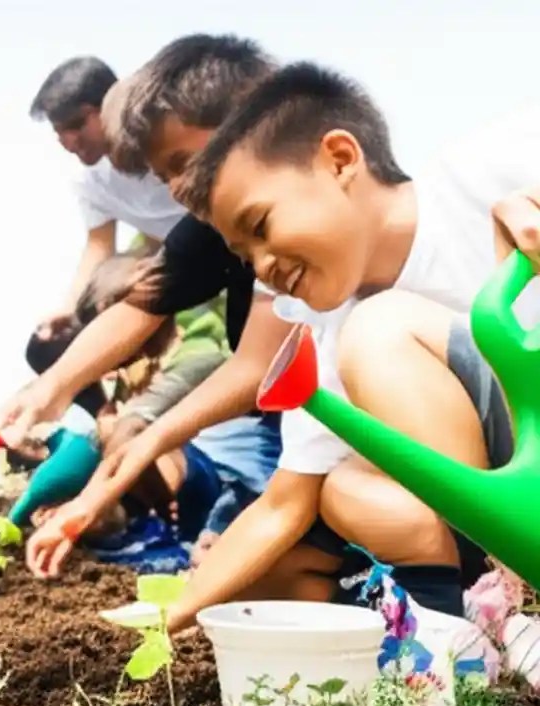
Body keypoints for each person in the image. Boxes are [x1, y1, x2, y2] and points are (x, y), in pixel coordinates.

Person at [159, 63, 540, 631]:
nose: (262, 266)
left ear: (340, 159)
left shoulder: (500, 163)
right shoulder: (329, 331)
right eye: (244, 256)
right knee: (343, 490)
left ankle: (511, 600)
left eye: (261, 225)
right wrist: (169, 619)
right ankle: (485, 615)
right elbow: (285, 502)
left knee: (381, 331)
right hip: (514, 506)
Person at [13, 35, 288, 571]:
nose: (180, 190)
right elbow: (143, 298)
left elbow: (251, 366)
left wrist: (114, 468)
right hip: (289, 432)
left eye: (183, 164)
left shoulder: (279, 242)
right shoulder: (206, 233)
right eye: (164, 176)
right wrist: (49, 387)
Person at [27, 56, 198, 416]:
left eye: (77, 124)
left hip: (218, 250)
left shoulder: (165, 143)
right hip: (177, 266)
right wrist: (71, 308)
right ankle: (102, 414)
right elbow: (99, 246)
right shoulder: (89, 181)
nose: (69, 141)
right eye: (60, 132)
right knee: (44, 346)